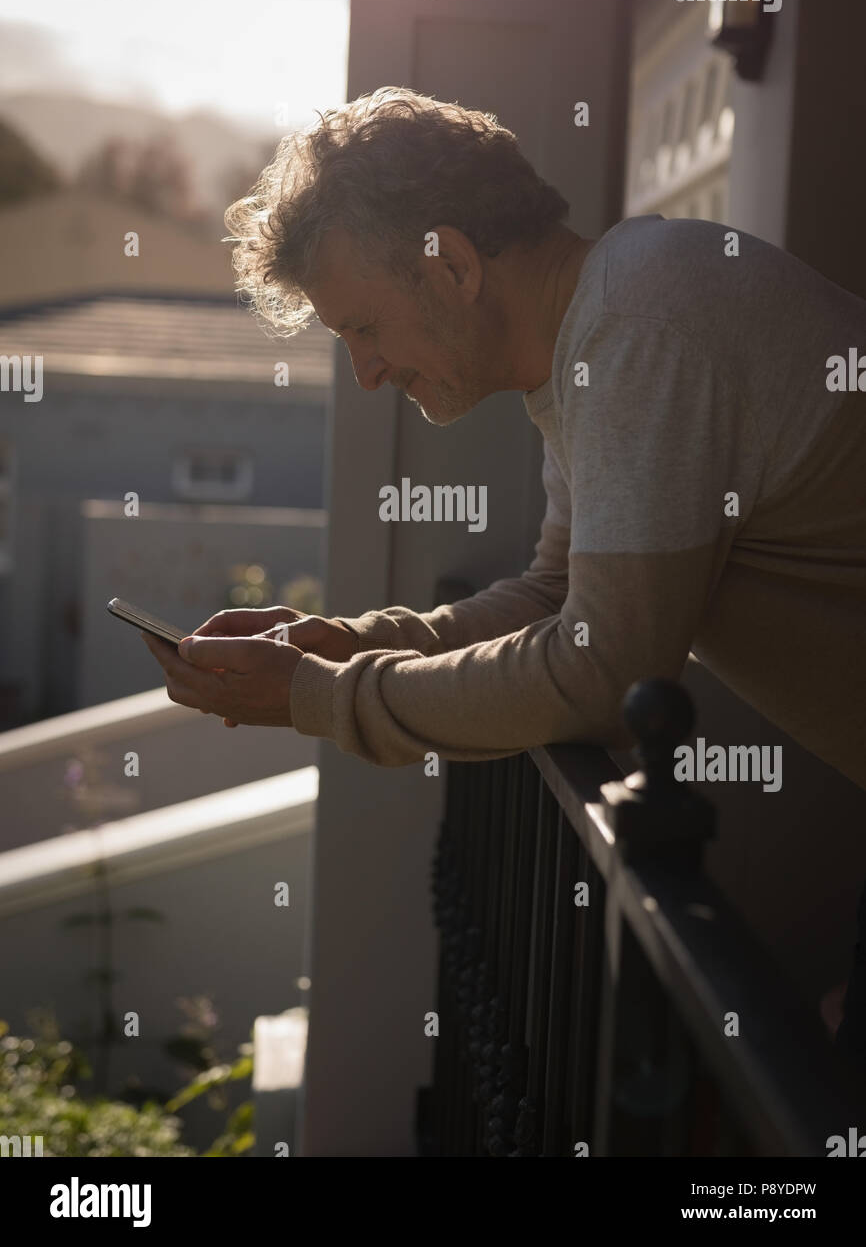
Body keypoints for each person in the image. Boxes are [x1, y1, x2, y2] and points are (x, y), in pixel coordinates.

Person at [144, 85, 866, 795]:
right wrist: (357, 644)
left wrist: (323, 697)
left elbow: (602, 678)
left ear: (453, 266)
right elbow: (559, 595)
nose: (366, 374)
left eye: (364, 329)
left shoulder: (638, 333)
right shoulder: (602, 329)